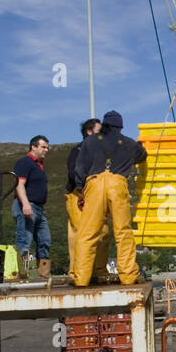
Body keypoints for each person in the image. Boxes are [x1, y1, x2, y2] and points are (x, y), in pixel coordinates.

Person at [71, 110, 147, 286]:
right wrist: (139, 145)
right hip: (118, 184)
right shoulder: (128, 143)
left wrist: (80, 189)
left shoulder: (90, 141)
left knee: (88, 233)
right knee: (123, 231)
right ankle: (128, 275)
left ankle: (81, 278)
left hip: (94, 183)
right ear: (120, 127)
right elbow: (142, 155)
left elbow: (80, 166)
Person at [65, 119, 109, 283]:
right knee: (79, 233)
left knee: (103, 233)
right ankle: (77, 272)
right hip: (78, 194)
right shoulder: (77, 150)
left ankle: (99, 271)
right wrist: (81, 189)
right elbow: (73, 171)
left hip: (97, 196)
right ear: (89, 132)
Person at [12, 135, 52, 280]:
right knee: (24, 241)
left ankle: (44, 276)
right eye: (43, 147)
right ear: (33, 147)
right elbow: (19, 184)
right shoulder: (25, 162)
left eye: (47, 147)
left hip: (39, 209)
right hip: (28, 206)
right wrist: (26, 204)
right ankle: (17, 275)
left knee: (45, 240)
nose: (46, 150)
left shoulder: (39, 165)